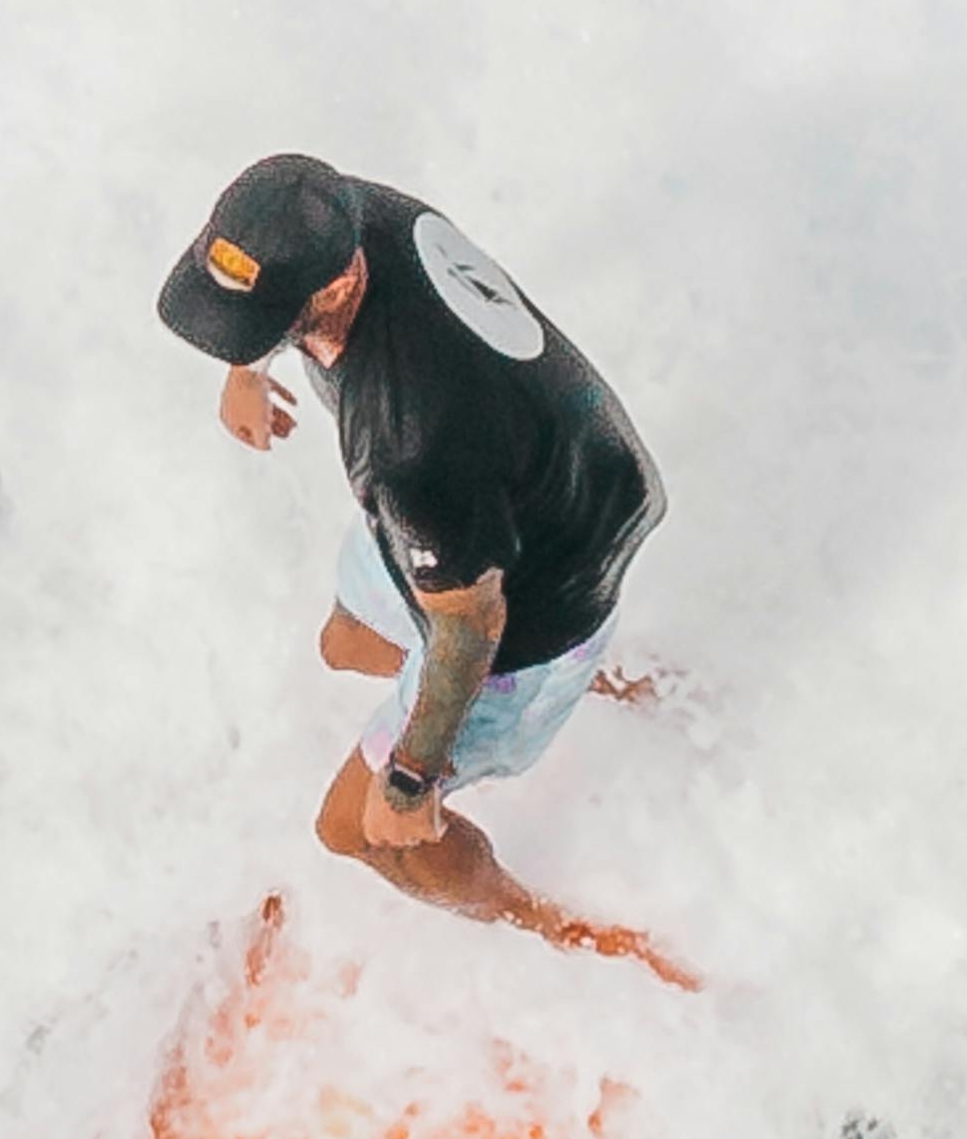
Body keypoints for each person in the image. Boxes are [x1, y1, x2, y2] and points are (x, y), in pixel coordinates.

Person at [152, 154, 695, 982]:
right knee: (343, 642)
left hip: (534, 601)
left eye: (262, 325)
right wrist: (244, 369)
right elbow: (271, 283)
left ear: (334, 289)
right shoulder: (348, 210)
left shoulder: (409, 441)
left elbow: (473, 626)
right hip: (544, 482)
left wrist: (411, 776)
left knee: (360, 830)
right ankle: (622, 684)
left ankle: (578, 940)